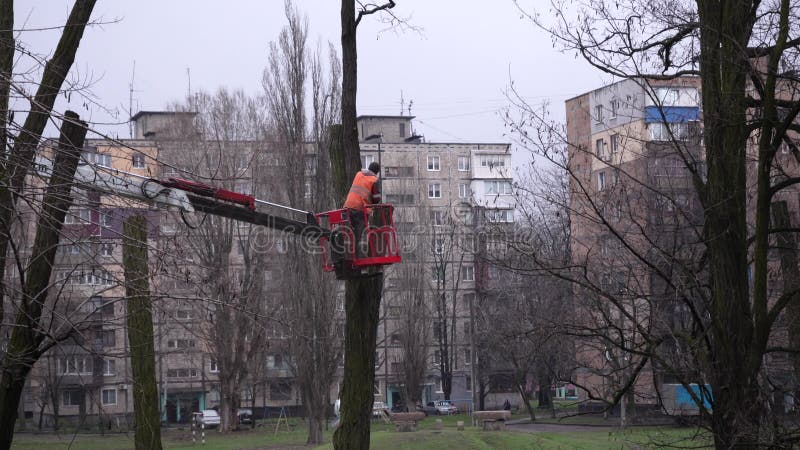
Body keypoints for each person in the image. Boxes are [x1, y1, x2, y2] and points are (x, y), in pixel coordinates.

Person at [342, 162, 381, 258]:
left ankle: (347, 256)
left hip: (348, 206)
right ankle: (360, 257)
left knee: (348, 232)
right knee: (361, 234)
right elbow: (376, 198)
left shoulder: (358, 174)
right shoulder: (374, 180)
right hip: (360, 209)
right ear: (377, 172)